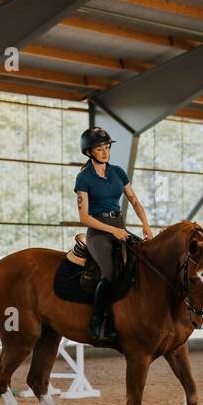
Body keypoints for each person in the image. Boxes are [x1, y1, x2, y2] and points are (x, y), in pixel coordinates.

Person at [74, 127, 153, 340]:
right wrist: (112, 230)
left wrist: (145, 225)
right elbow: (84, 217)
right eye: (99, 148)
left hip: (119, 226)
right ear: (89, 151)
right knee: (108, 274)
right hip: (99, 231)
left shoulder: (118, 171)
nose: (105, 151)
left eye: (107, 147)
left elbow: (134, 201)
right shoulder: (84, 178)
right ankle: (98, 323)